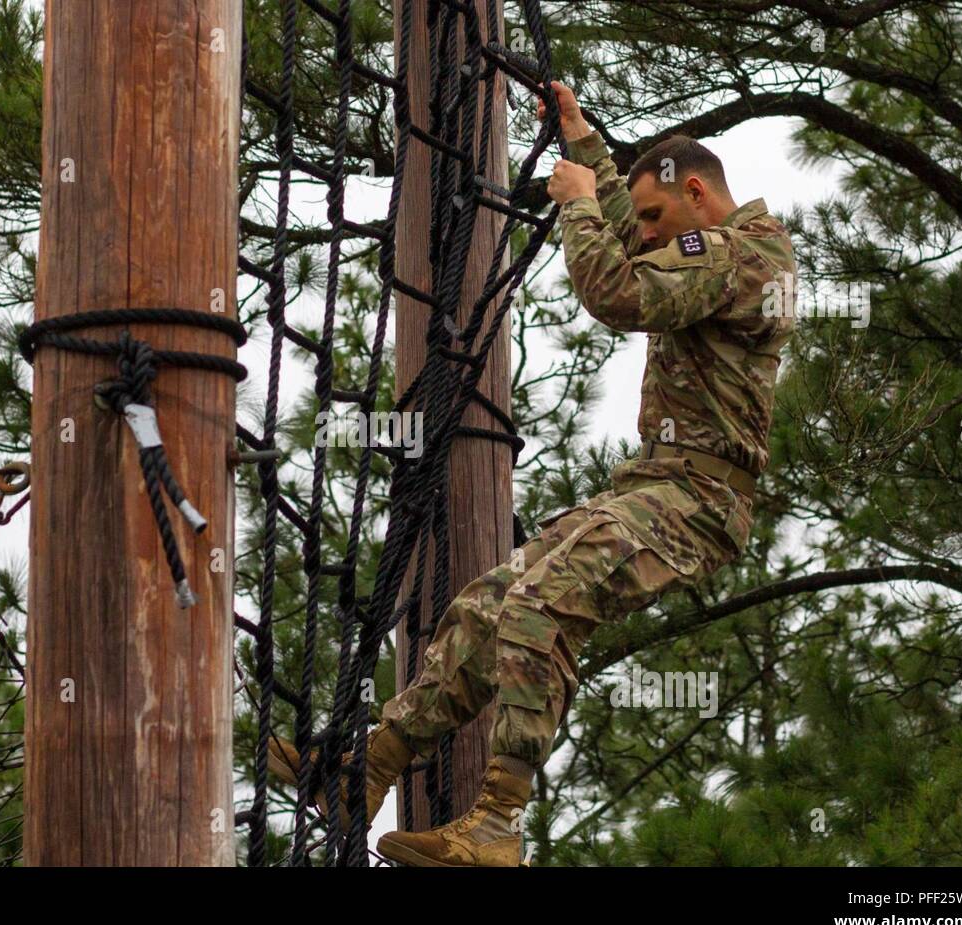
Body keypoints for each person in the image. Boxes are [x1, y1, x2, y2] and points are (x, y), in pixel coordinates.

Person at [270, 80, 797, 866]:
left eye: (656, 219)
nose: (644, 234)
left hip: (701, 500)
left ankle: (497, 827)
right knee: (489, 605)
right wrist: (584, 142)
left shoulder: (747, 257)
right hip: (653, 489)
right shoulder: (698, 247)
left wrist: (581, 203)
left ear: (697, 192)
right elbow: (634, 233)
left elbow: (617, 290)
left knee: (545, 601)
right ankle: (369, 765)